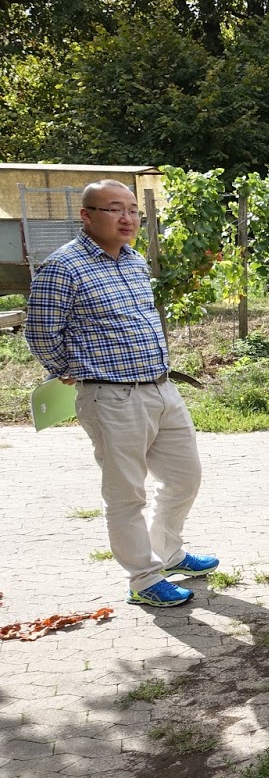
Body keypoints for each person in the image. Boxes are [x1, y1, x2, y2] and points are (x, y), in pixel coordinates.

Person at [23, 180, 218, 609]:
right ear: (87, 216)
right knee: (127, 493)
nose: (128, 218)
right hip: (110, 398)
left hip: (161, 387)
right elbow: (39, 332)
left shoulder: (132, 260)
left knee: (186, 477)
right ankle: (144, 578)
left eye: (133, 210)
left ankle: (169, 552)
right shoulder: (64, 267)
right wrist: (70, 370)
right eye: (114, 209)